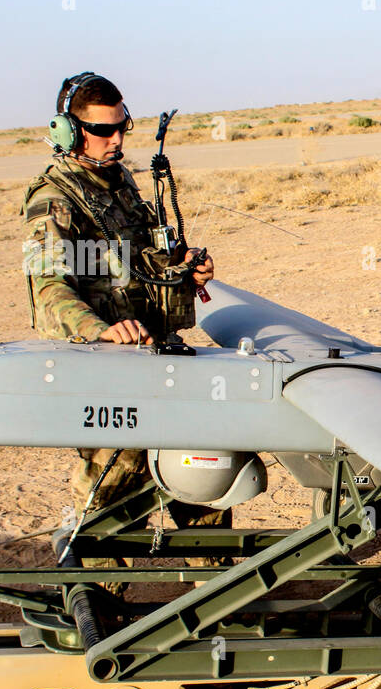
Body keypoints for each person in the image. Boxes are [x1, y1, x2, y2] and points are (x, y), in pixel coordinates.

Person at [21, 72, 229, 583]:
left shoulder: (121, 184)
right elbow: (49, 290)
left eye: (121, 127)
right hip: (109, 372)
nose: (115, 140)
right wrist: (100, 331)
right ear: (69, 132)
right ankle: (98, 607)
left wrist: (184, 267)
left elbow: (137, 262)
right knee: (109, 501)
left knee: (200, 473)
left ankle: (223, 594)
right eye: (101, 131)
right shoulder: (56, 200)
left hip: (161, 358)